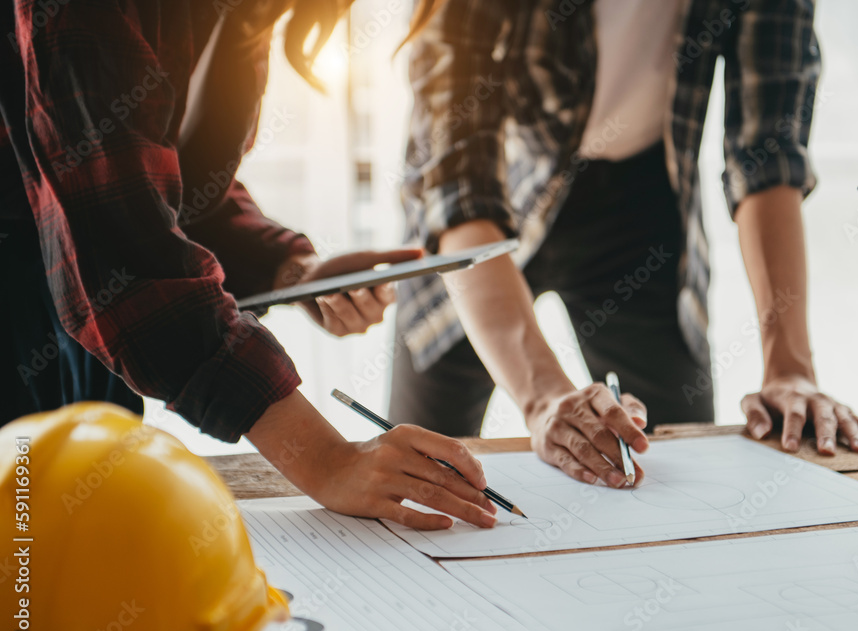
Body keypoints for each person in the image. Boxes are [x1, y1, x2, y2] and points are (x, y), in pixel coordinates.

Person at [0, 0, 496, 530]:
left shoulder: (248, 12)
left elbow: (175, 184)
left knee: (75, 544)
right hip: (23, 322)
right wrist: (326, 460)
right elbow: (120, 240)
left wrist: (290, 269)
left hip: (86, 335)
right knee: (23, 575)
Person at [391, 0, 858, 487]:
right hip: (485, 219)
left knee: (675, 469)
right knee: (423, 469)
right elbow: (454, 181)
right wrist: (543, 399)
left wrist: (790, 368)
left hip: (642, 206)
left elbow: (768, 153)